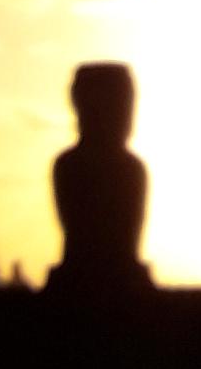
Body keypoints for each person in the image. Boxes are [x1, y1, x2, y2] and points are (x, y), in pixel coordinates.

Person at [48, 62, 151, 297]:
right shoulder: (72, 167)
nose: (129, 114)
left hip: (107, 284)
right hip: (89, 285)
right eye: (121, 105)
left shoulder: (131, 169)